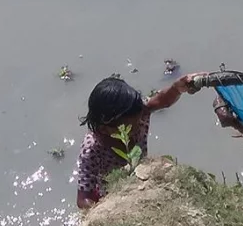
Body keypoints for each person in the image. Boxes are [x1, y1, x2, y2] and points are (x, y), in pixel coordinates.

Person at [75, 73, 203, 208]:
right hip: (111, 195)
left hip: (140, 179)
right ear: (104, 129)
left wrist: (177, 88)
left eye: (140, 119)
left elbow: (162, 100)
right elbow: (83, 199)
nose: (140, 125)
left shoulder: (139, 114)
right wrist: (104, 212)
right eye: (130, 127)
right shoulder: (92, 149)